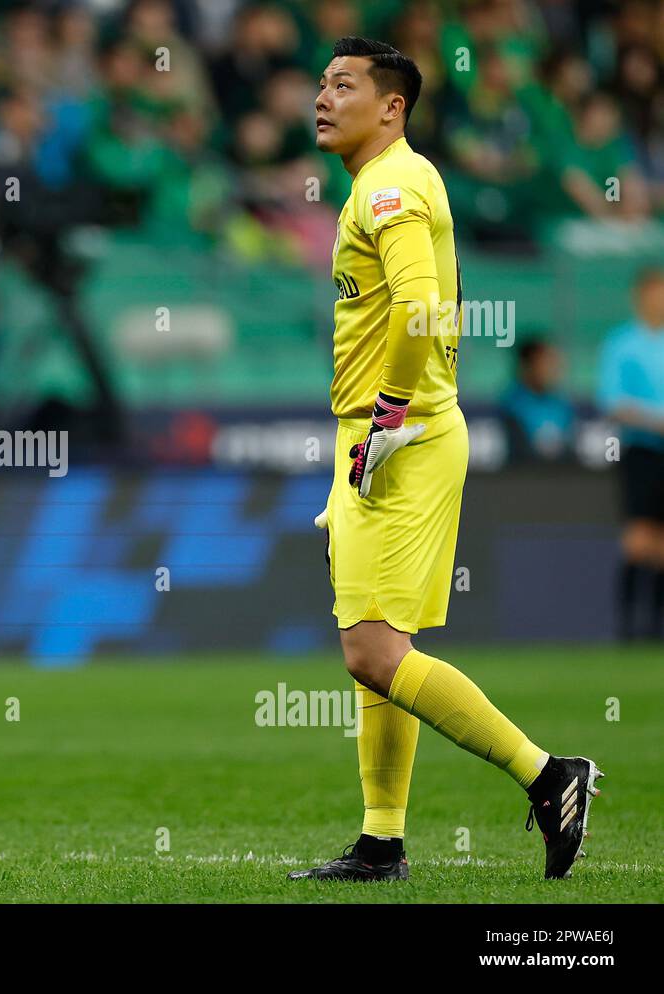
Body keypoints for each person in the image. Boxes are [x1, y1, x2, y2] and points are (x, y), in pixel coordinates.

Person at [294, 37, 602, 883]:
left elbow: (420, 309)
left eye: (345, 85)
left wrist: (389, 415)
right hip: (380, 432)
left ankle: (549, 776)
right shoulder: (385, 181)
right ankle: (381, 840)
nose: (323, 97)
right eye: (321, 83)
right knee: (376, 643)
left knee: (371, 652)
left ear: (392, 106)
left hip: (403, 432)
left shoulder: (391, 183)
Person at [599, 266, 664, 641]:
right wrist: (655, 420)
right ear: (640, 297)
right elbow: (613, 402)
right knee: (639, 539)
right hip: (642, 450)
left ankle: (654, 630)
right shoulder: (622, 344)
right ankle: (628, 630)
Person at [499, 337, 576, 463]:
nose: (552, 369)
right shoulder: (512, 406)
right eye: (545, 362)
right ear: (527, 365)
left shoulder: (562, 406)